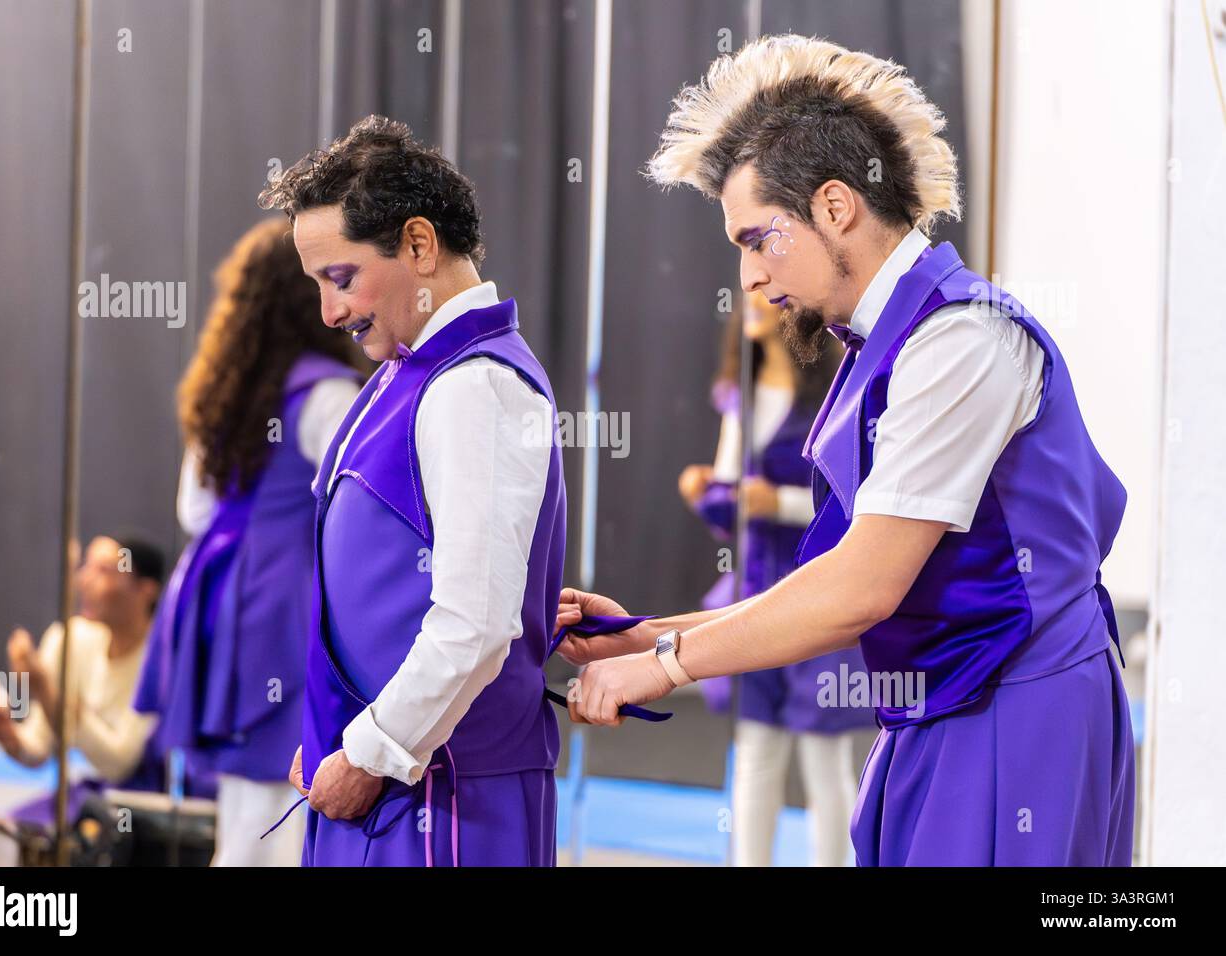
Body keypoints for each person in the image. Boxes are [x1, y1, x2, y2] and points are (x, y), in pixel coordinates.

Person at [555, 34, 1134, 866]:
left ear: (835, 206)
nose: (748, 277)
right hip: (951, 704)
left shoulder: (961, 341)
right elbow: (840, 579)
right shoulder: (892, 338)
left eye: (757, 239)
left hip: (1014, 708)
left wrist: (669, 663)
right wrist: (647, 635)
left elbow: (861, 588)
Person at [257, 115, 567, 866]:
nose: (330, 312)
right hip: (391, 782)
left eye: (341, 279)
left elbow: (476, 625)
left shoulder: (474, 385)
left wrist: (368, 751)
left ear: (419, 245)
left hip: (445, 798)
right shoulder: (413, 372)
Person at [134, 219, 367, 866]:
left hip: (213, 591)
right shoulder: (329, 393)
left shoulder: (222, 390)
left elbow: (194, 509)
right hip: (284, 602)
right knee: (281, 791)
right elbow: (361, 519)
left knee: (247, 799)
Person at [678, 290, 872, 866]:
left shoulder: (837, 400)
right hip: (755, 586)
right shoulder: (739, 395)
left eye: (768, 293)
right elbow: (732, 501)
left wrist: (779, 502)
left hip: (820, 589)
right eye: (746, 297)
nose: (753, 301)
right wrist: (708, 493)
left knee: (823, 757)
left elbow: (855, 507)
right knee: (756, 750)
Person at [0, 534, 177, 864]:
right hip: (93, 799)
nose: (84, 580)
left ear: (145, 589)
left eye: (104, 571)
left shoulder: (163, 659)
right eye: (86, 568)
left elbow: (119, 761)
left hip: (144, 808)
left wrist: (48, 691)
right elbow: (37, 748)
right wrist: (4, 730)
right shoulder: (71, 640)